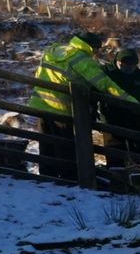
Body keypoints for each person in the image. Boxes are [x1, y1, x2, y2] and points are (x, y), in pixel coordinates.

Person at [29, 31, 131, 179]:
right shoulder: (82, 59)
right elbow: (105, 84)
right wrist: (130, 100)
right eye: (96, 50)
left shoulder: (54, 50)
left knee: (47, 142)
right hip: (62, 108)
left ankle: (47, 175)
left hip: (41, 103)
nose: (96, 53)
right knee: (65, 145)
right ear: (91, 47)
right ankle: (69, 177)